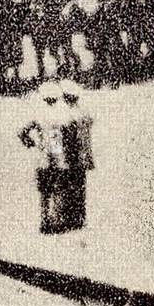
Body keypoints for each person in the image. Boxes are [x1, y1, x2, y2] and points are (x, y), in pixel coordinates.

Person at [19, 80, 69, 234]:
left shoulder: (38, 113)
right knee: (57, 189)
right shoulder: (61, 114)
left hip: (42, 157)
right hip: (57, 155)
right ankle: (56, 220)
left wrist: (31, 143)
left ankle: (45, 220)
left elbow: (22, 132)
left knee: (45, 192)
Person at [58, 79, 95, 230]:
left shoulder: (64, 113)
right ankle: (79, 217)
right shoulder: (82, 112)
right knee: (79, 186)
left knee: (67, 186)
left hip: (70, 154)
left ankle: (69, 217)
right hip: (81, 155)